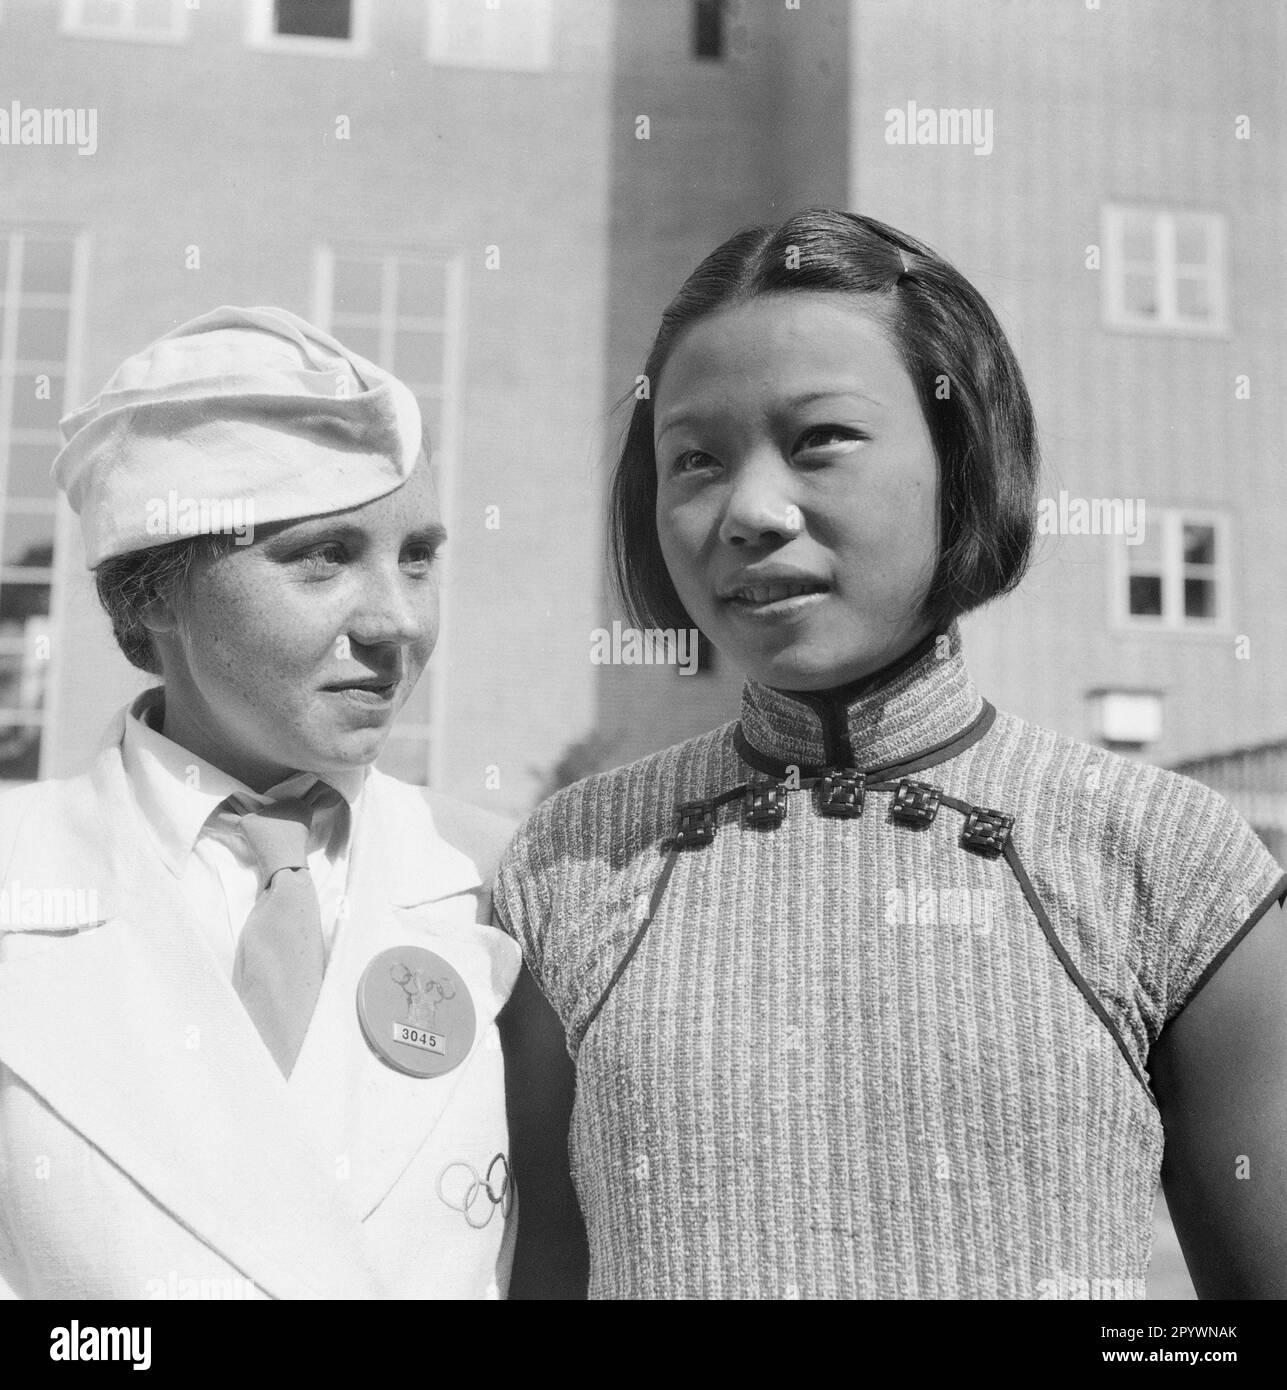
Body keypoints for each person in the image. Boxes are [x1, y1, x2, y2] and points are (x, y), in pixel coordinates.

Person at [493, 210, 1287, 1299]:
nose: (751, 510)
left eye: (819, 438)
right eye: (695, 461)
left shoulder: (1166, 856)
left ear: (960, 458)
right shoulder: (570, 866)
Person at [0, 306, 522, 1299]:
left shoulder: (499, 879)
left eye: (418, 555)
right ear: (154, 594)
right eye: (323, 556)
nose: (396, 622)